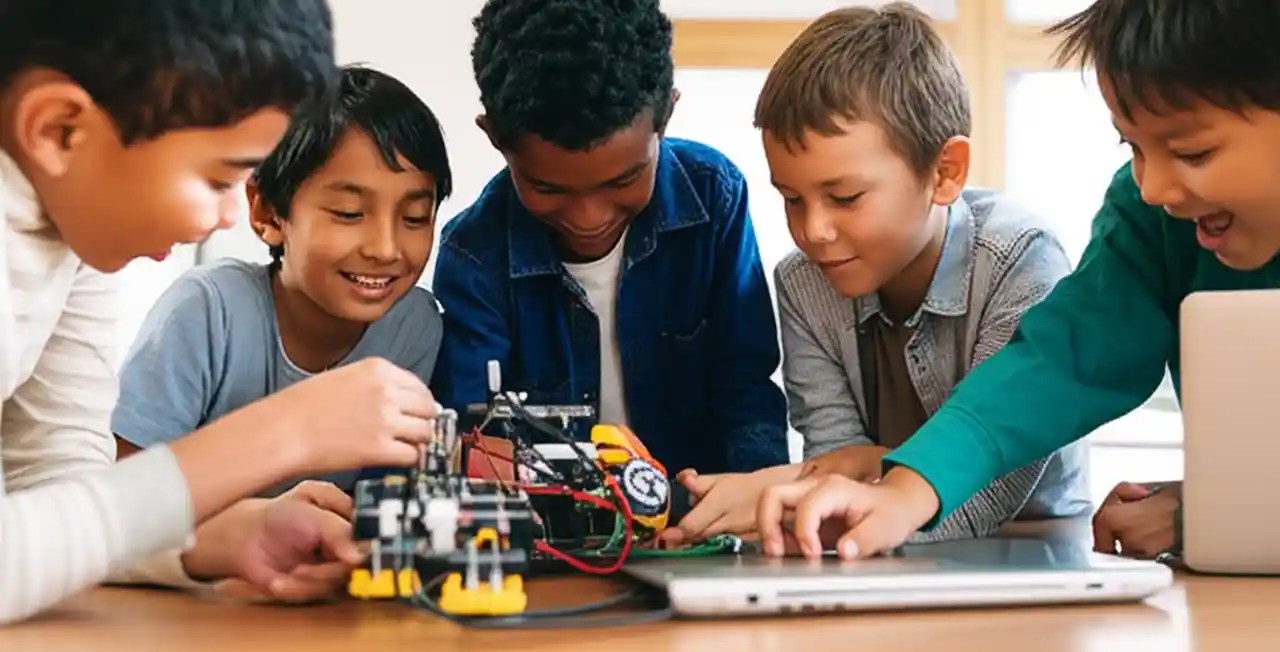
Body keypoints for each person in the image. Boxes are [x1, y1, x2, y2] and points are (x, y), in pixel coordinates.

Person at [755, 0, 1280, 561]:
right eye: (1133, 148)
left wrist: (1204, 510)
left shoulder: (1014, 250)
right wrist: (905, 494)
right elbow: (1060, 361)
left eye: (1191, 152)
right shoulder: (1159, 217)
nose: (1152, 187)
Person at [0, 1, 438, 624]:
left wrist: (217, 537)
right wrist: (278, 434)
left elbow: (61, 499)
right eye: (217, 179)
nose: (232, 216)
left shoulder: (73, 238)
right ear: (59, 131)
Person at [661, 3, 1088, 548]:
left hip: (1037, 547)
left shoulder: (1019, 260)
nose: (813, 231)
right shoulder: (805, 284)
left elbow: (988, 488)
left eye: (845, 197)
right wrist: (830, 478)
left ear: (944, 172)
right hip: (878, 552)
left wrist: (810, 479)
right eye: (791, 199)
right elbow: (832, 463)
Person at [431, 0, 788, 514]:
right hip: (552, 540)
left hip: (701, 526)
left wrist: (754, 503)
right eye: (547, 187)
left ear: (666, 112)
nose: (589, 216)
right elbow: (476, 437)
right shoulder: (475, 255)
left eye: (623, 180)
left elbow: (746, 386)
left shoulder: (713, 198)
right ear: (495, 139)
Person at [109, 65, 452, 596]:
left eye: (414, 218)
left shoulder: (416, 327)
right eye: (348, 212)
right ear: (268, 212)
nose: (386, 248)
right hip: (182, 603)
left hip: (312, 610)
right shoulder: (207, 313)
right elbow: (114, 500)